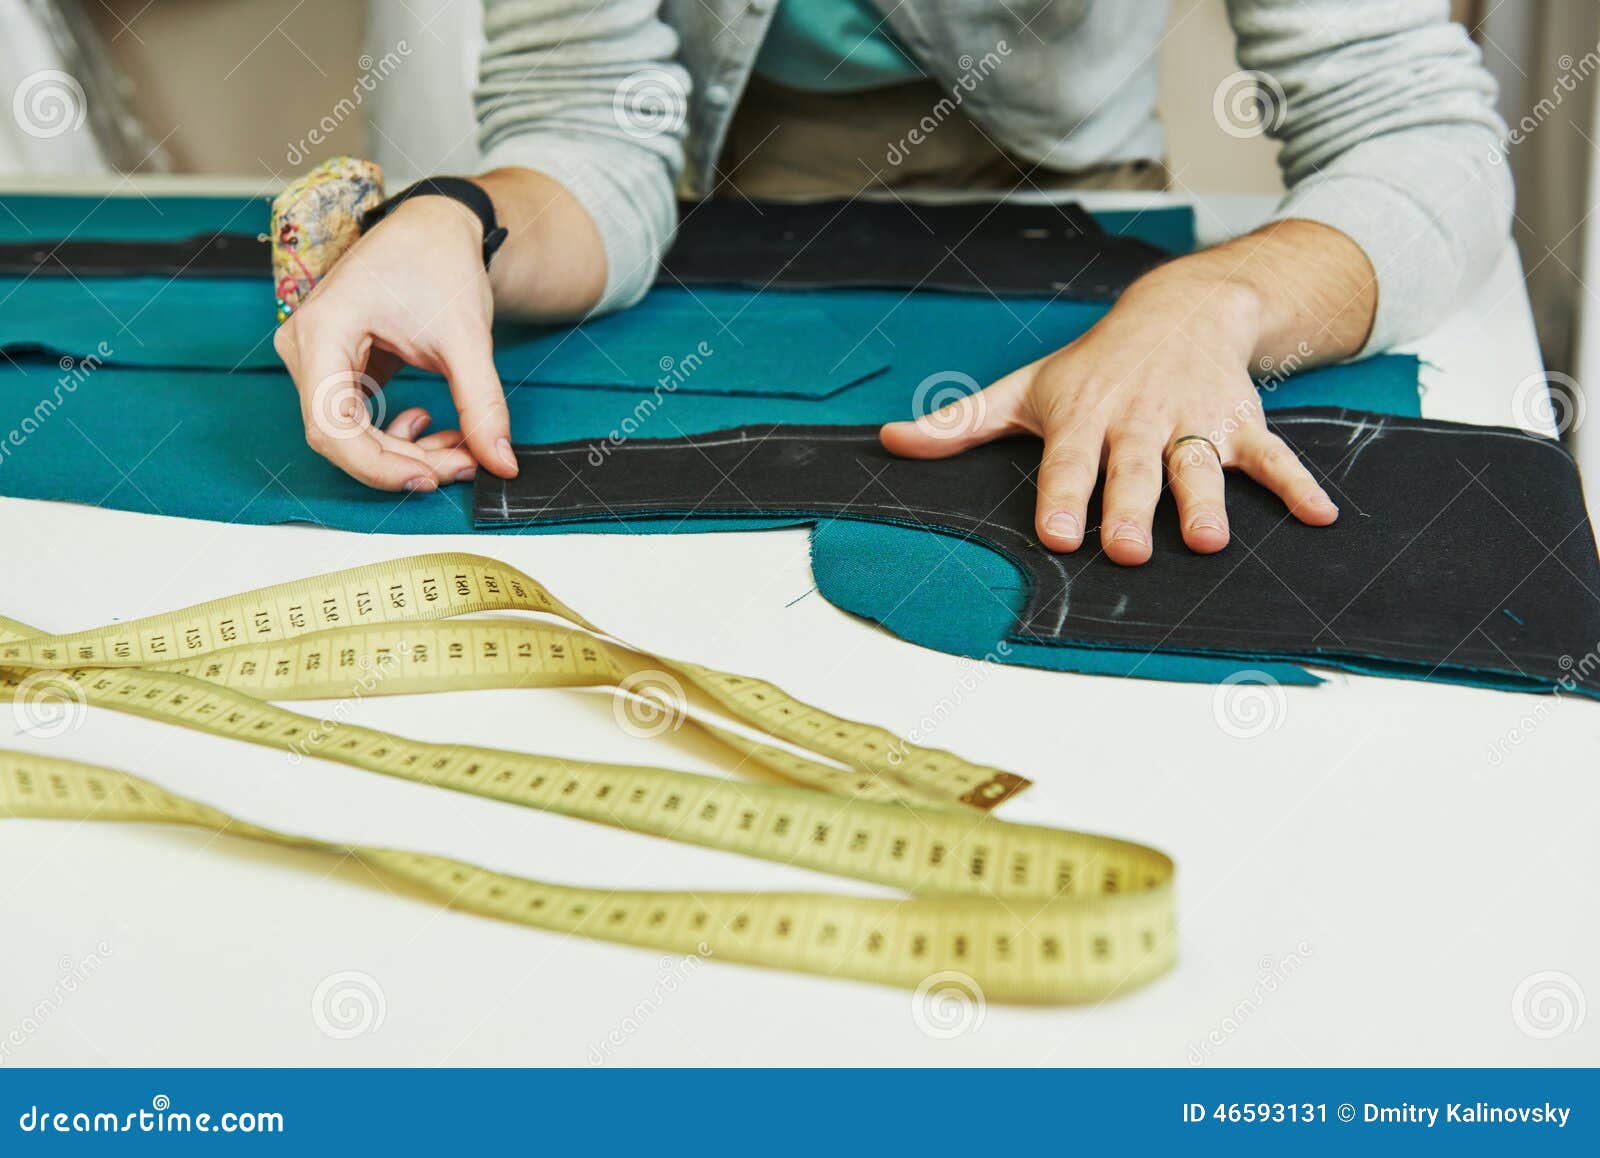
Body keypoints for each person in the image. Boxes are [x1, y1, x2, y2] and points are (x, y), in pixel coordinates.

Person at [273, 0, 1511, 566]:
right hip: (718, 206)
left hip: (1059, 200)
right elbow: (590, 130)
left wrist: (1211, 304)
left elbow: (1413, 131)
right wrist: (460, 220)